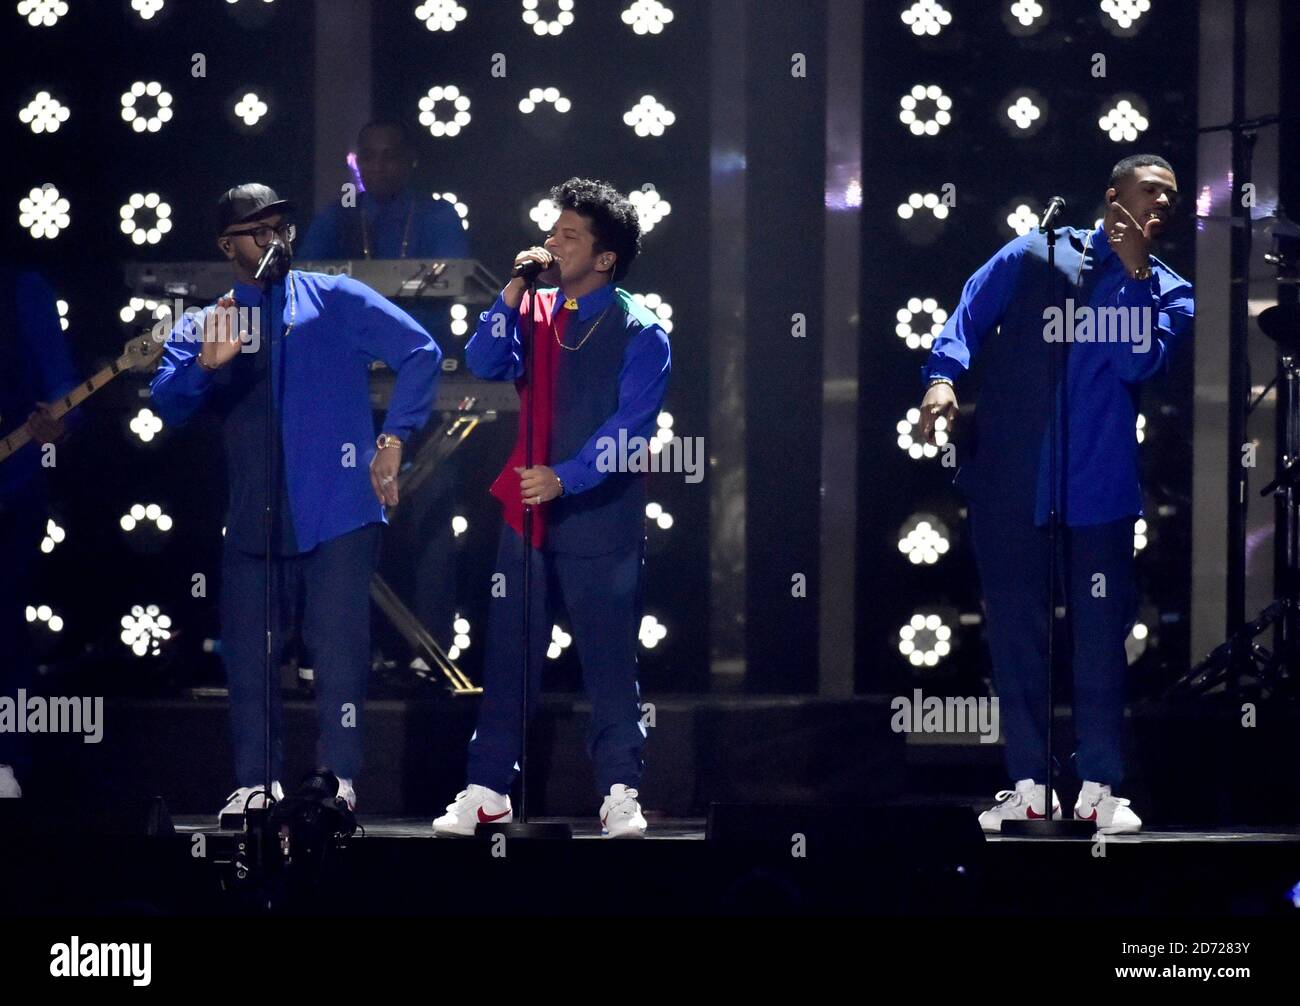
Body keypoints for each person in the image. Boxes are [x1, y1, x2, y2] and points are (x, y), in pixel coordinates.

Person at [917, 154, 1195, 834]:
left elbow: (1135, 361)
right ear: (1113, 196)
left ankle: (1099, 785)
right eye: (1151, 190)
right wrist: (942, 379)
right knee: (1016, 636)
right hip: (1011, 481)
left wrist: (1132, 273)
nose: (1164, 202)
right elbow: (967, 315)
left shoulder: (1170, 292)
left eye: (1173, 197)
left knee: (1099, 640)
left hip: (1098, 489)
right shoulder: (1036, 251)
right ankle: (1029, 784)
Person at [151, 184, 441, 819]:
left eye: (281, 226)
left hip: (340, 509)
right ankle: (256, 782)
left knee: (337, 650)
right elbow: (166, 404)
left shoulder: (333, 296)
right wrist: (207, 363)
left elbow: (421, 349)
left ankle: (338, 779)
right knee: (251, 656)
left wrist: (393, 437)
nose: (274, 239)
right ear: (227, 245)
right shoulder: (208, 323)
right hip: (255, 519)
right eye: (258, 230)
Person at [433, 178, 670, 838]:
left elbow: (633, 428)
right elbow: (482, 360)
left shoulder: (640, 328)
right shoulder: (535, 309)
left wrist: (566, 478)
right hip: (525, 514)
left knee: (608, 659)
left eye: (570, 236)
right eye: (553, 230)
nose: (552, 242)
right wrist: (511, 290)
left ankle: (620, 790)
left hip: (600, 514)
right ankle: (487, 789)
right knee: (508, 654)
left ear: (605, 259)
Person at [0, 266, 76, 799]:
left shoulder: (22, 289)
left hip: (10, 487)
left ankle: (6, 761)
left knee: (3, 621)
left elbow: (62, 385)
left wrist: (59, 418)